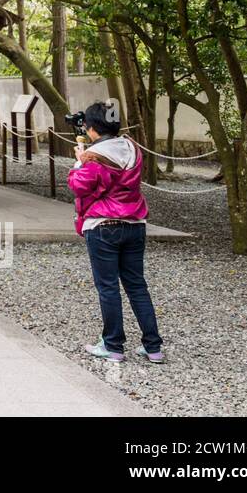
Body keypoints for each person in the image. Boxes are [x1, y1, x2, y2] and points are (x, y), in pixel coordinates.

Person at [68, 102, 165, 364]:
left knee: (108, 287)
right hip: (134, 224)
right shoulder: (132, 148)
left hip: (102, 226)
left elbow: (80, 186)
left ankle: (113, 345)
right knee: (137, 285)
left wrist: (79, 162)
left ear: (91, 129)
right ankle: (153, 347)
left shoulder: (95, 156)